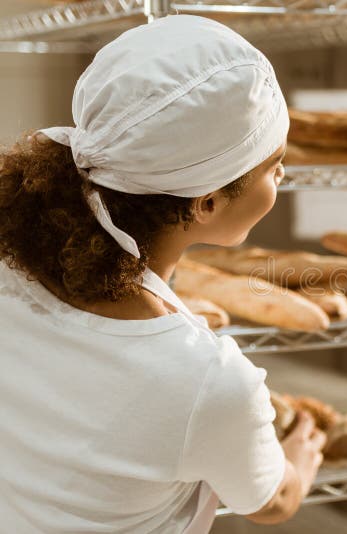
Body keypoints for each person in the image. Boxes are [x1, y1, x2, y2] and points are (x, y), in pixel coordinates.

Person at [0, 15, 324, 533]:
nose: (281, 175)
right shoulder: (210, 382)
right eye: (273, 164)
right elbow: (271, 502)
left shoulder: (10, 271)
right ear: (208, 203)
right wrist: (300, 459)